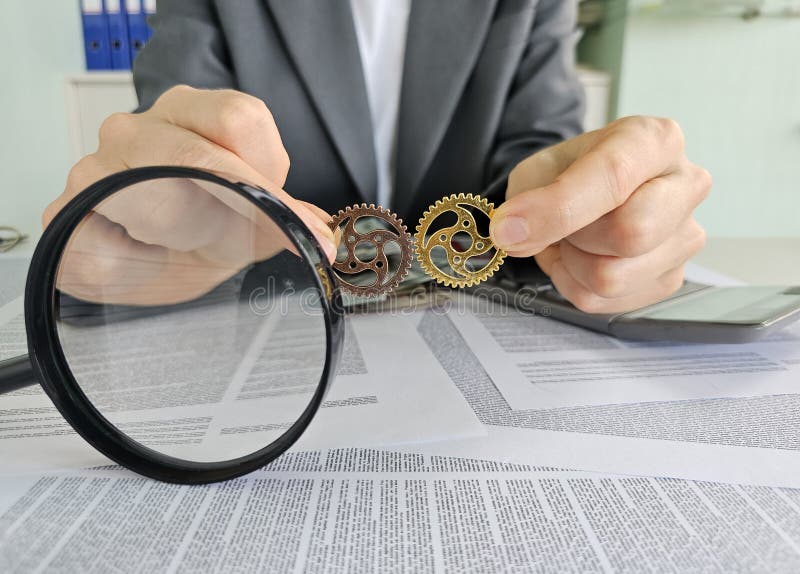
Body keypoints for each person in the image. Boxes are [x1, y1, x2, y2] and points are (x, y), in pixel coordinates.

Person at [45, 0, 711, 313]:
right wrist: (153, 220)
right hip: (266, 311)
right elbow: (174, 142)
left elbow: (540, 151)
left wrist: (594, 212)